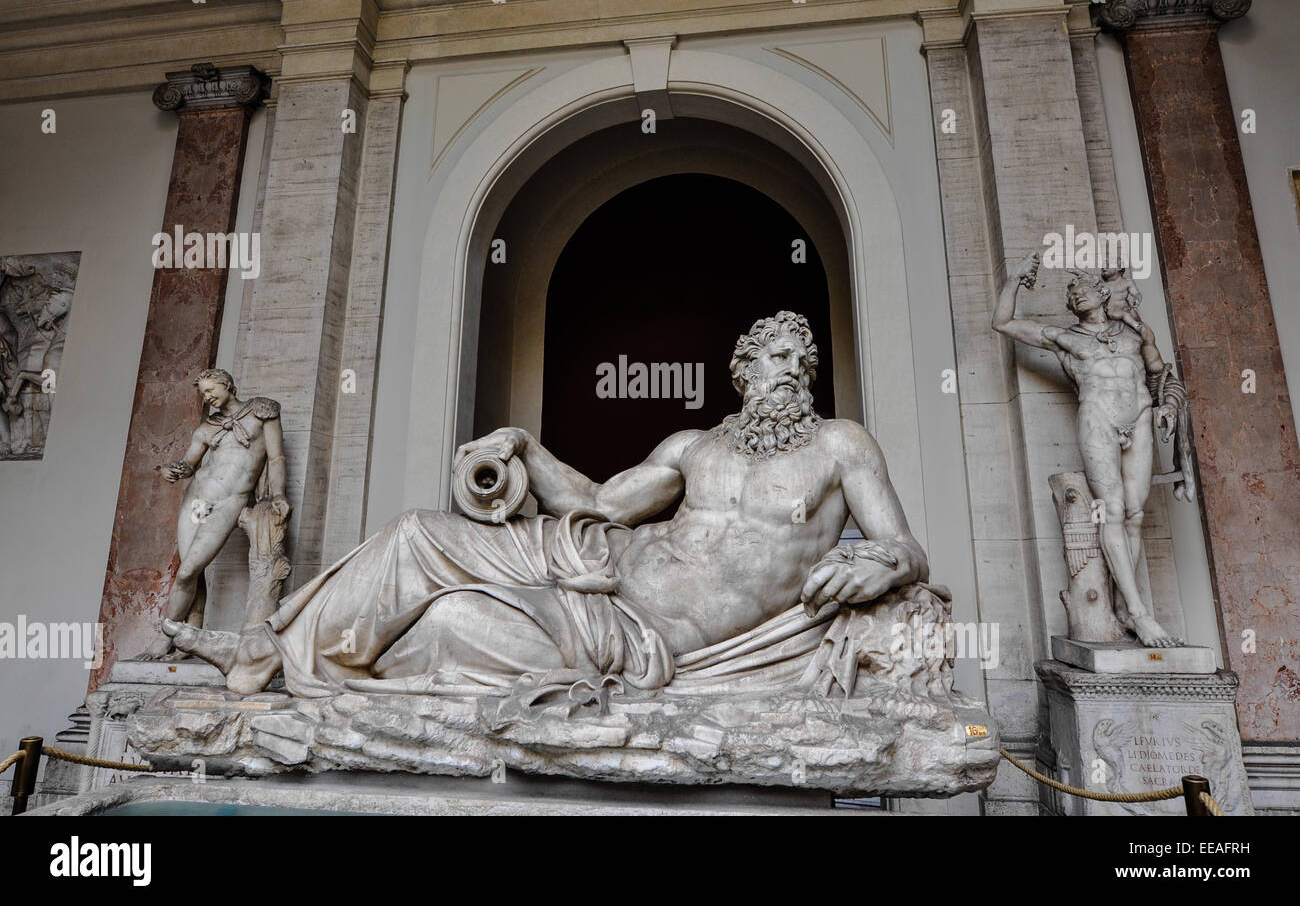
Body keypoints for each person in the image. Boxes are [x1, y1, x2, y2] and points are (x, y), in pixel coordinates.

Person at [167, 311, 932, 696]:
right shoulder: (697, 444)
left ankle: (294, 667)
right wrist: (527, 450)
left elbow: (908, 549)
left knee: (449, 622)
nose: (793, 368)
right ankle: (264, 645)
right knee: (413, 534)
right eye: (775, 355)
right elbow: (601, 501)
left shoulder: (840, 444)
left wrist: (886, 564)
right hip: (595, 556)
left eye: (804, 358)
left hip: (634, 628)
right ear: (743, 369)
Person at [993, 254, 1182, 647]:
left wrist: (1167, 405)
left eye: (1081, 290)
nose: (1075, 296)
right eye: (1070, 294)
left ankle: (1125, 610)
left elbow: (1161, 375)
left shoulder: (1135, 334)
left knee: (1134, 514)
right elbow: (1003, 323)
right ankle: (1139, 613)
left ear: (1100, 293)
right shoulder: (1067, 339)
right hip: (1099, 421)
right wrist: (1014, 280)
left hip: (1142, 417)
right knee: (1111, 510)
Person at [141, 368, 290, 659]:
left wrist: (280, 493)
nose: (208, 398)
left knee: (186, 573)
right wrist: (176, 470)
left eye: (212, 391)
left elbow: (276, 457)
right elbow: (189, 463)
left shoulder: (262, 412)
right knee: (190, 571)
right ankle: (189, 639)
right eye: (204, 394)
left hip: (229, 503)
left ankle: (165, 635)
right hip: (196, 501)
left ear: (229, 386)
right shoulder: (208, 428)